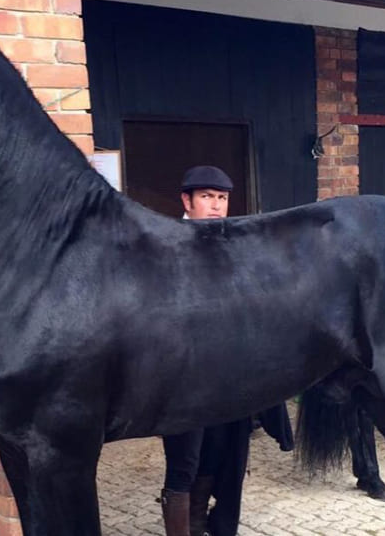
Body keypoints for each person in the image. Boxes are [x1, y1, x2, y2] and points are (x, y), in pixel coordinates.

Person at [160, 165, 294, 536]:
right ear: (187, 200)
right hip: (184, 377)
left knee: (224, 455)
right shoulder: (166, 243)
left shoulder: (236, 243)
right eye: (206, 197)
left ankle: (206, 524)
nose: (216, 206)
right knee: (184, 462)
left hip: (230, 373)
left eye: (221, 198)